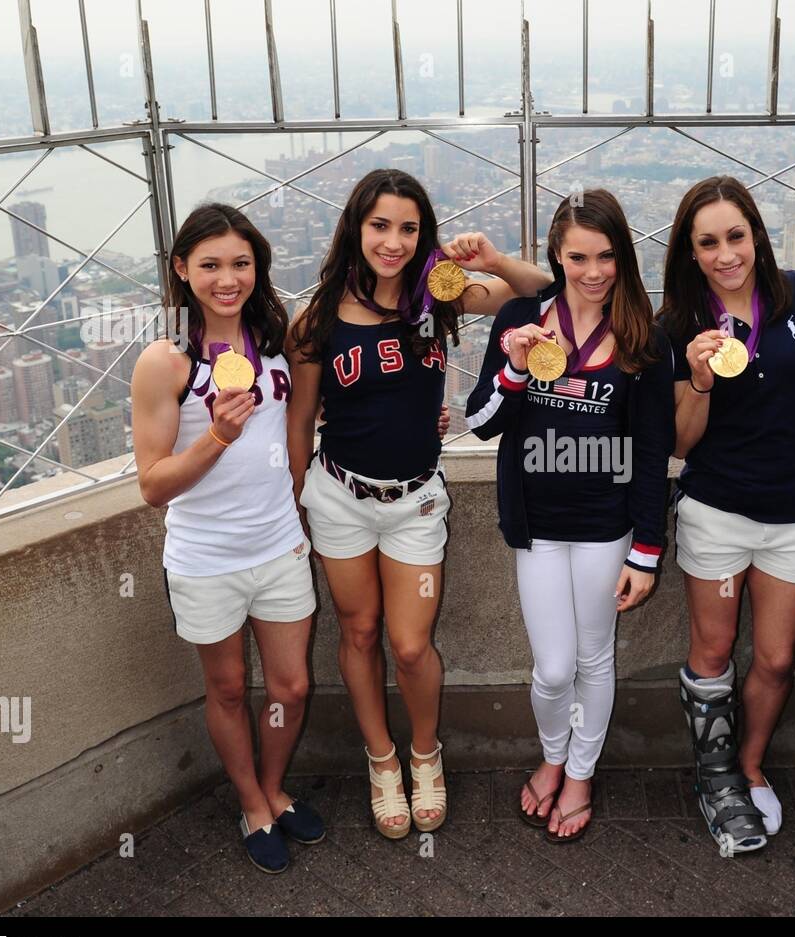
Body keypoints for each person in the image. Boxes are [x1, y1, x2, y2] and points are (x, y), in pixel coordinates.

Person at [287, 168, 552, 840]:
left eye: (408, 228)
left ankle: (424, 752)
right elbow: (299, 422)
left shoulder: (440, 296)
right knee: (359, 632)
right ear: (356, 227)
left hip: (416, 502)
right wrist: (293, 504)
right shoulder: (315, 319)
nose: (393, 241)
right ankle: (381, 759)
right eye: (380, 225)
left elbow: (540, 292)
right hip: (340, 497)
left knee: (409, 645)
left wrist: (489, 260)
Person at [465, 190, 674, 842]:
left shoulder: (643, 336)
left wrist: (647, 548)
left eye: (606, 256)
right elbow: (478, 423)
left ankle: (578, 772)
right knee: (552, 668)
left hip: (605, 525)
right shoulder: (522, 318)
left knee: (593, 659)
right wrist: (515, 371)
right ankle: (552, 756)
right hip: (536, 523)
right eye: (578, 256)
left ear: (623, 257)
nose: (593, 271)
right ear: (556, 255)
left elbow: (651, 451)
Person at [664, 176, 795, 854]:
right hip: (716, 510)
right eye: (708, 242)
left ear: (757, 236)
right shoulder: (678, 324)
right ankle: (716, 778)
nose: (725, 254)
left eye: (735, 237)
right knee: (714, 651)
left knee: (775, 659)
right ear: (690, 252)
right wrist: (699, 379)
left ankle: (749, 764)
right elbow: (681, 443)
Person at [132, 203, 323, 874]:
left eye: (240, 264)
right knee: (228, 689)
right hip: (205, 557)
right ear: (182, 270)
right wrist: (217, 434)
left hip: (278, 545)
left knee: (292, 687)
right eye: (209, 265)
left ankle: (274, 786)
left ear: (257, 269)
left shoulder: (278, 340)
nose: (227, 279)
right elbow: (153, 485)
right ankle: (252, 802)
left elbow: (305, 422)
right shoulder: (166, 361)